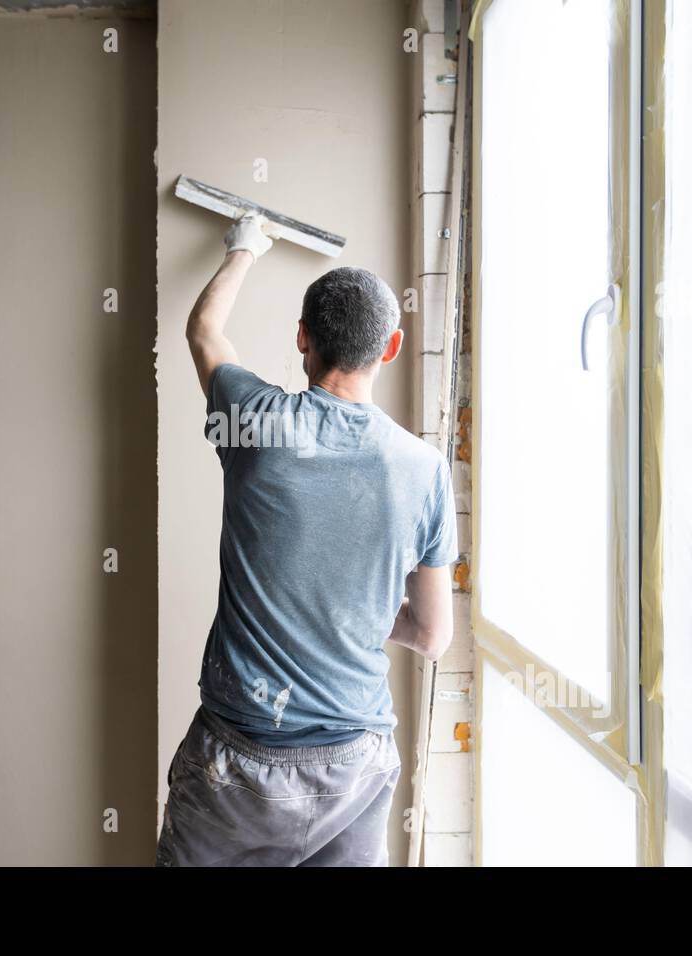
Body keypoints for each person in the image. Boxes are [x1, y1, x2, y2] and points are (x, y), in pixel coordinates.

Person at [156, 213, 458, 867]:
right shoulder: (425, 472)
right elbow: (433, 636)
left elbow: (204, 331)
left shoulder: (255, 425)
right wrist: (354, 614)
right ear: (392, 347)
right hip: (355, 764)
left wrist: (244, 248)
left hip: (237, 764)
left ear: (302, 339)